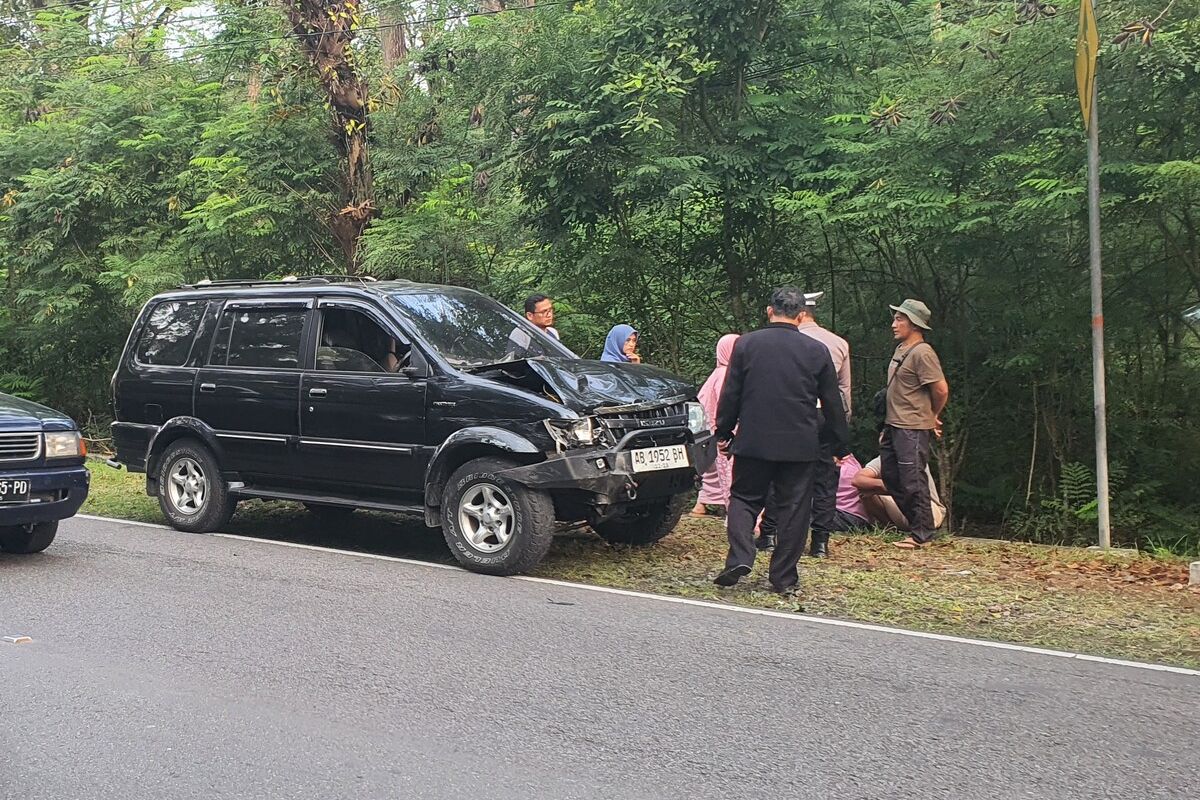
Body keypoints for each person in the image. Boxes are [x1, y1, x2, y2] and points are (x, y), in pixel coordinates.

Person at [713, 287, 850, 595]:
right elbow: (832, 403)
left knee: (745, 499)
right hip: (800, 444)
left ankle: (740, 557)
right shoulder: (816, 351)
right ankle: (783, 578)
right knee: (795, 509)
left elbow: (731, 394)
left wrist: (723, 431)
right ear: (801, 316)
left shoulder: (746, 345)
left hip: (754, 439)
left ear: (769, 310)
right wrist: (838, 444)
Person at [881, 299, 950, 550]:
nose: (894, 324)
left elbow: (941, 389)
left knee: (913, 479)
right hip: (893, 424)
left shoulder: (923, 352)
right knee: (891, 475)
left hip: (912, 426)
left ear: (914, 324)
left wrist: (932, 415)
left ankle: (923, 533)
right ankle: (916, 523)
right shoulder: (902, 348)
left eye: (900, 320)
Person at [692, 334, 739, 516]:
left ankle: (701, 505)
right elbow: (725, 403)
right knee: (727, 469)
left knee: (712, 470)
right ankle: (732, 510)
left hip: (709, 429)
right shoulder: (725, 375)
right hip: (722, 430)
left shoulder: (717, 373)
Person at [851, 455, 947, 532]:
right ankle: (891, 528)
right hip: (901, 508)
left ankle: (921, 532)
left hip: (929, 511)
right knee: (864, 491)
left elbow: (910, 489)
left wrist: (885, 489)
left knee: (910, 493)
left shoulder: (913, 457)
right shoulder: (884, 459)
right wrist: (882, 486)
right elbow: (858, 480)